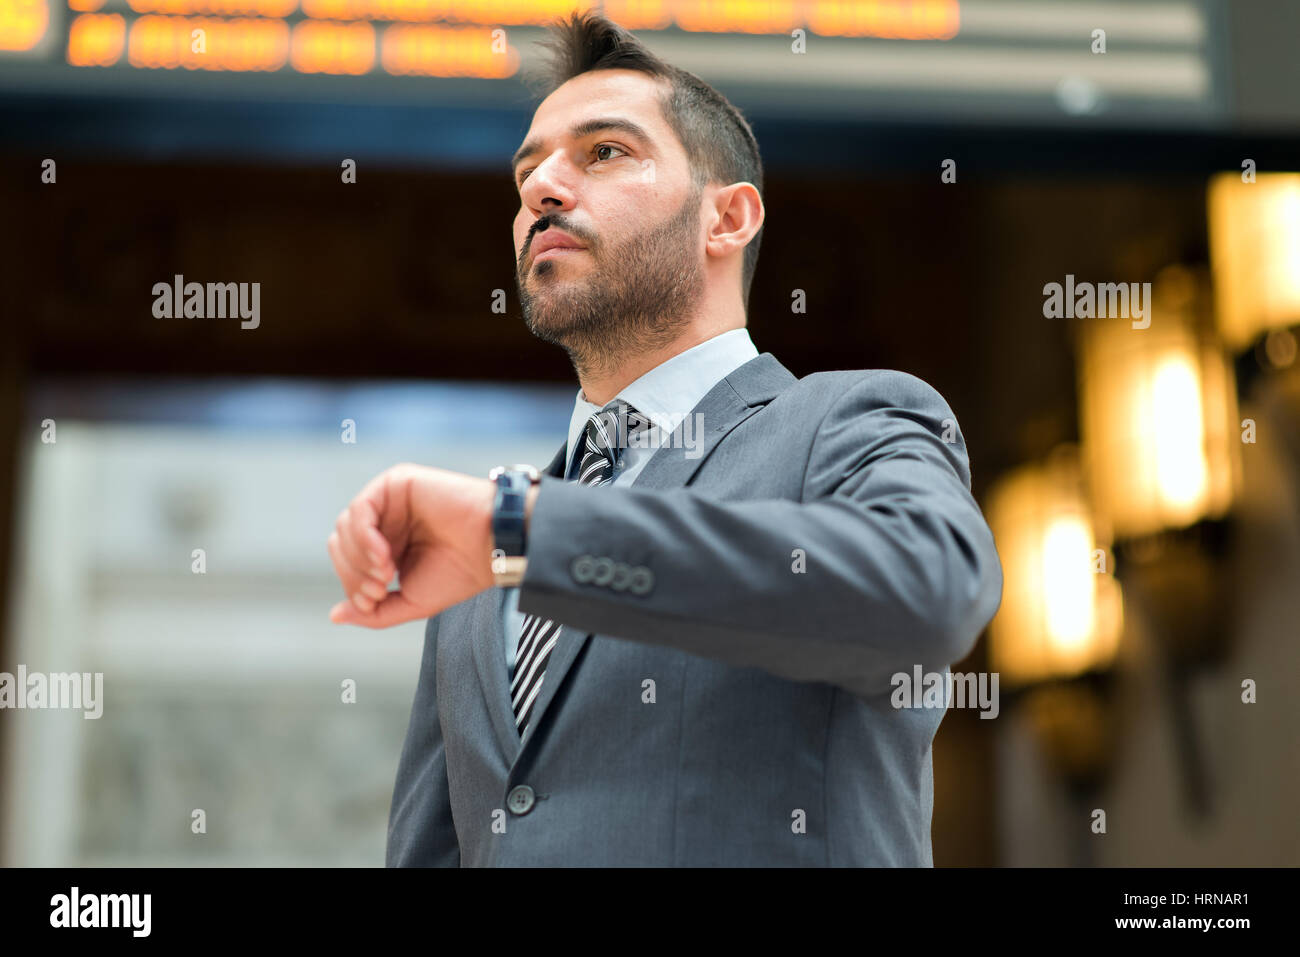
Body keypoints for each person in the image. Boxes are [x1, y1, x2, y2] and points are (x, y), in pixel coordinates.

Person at [326, 11, 1003, 866]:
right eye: (528, 172)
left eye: (604, 151)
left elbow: (931, 590)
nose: (542, 189)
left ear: (728, 219)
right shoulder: (481, 557)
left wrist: (527, 534)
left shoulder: (852, 419)